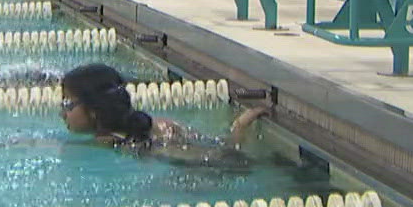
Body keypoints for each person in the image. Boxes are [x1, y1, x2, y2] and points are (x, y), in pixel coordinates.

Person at [59, 63, 267, 165]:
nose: (62, 113)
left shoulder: (106, 142)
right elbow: (220, 147)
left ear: (94, 110)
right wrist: (238, 130)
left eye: (68, 104)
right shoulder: (160, 124)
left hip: (206, 172)